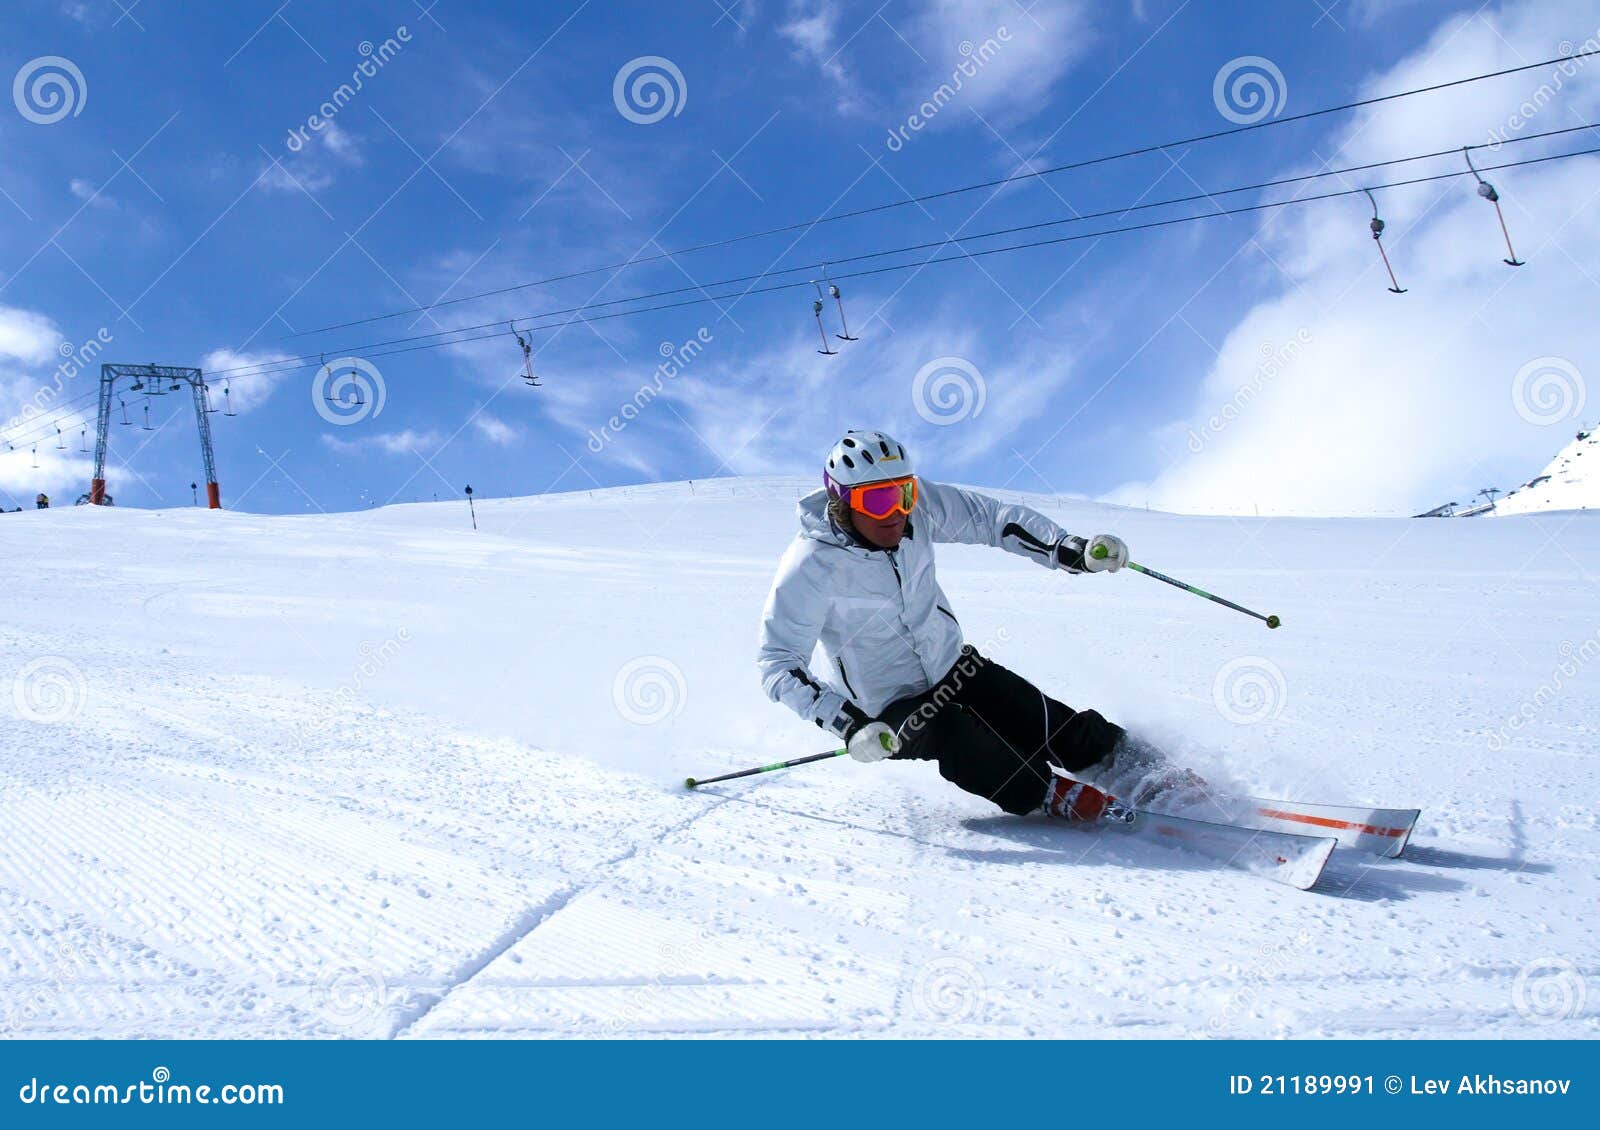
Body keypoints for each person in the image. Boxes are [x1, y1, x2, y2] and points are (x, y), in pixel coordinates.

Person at [758, 429, 1191, 823]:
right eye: (876, 501)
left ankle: (1151, 775)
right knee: (958, 735)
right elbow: (778, 663)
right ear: (843, 502)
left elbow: (993, 519)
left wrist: (1066, 547)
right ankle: (1051, 795)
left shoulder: (917, 510)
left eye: (903, 493)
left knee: (1041, 719)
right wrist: (849, 726)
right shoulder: (811, 566)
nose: (896, 512)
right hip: (890, 710)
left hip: (952, 666)